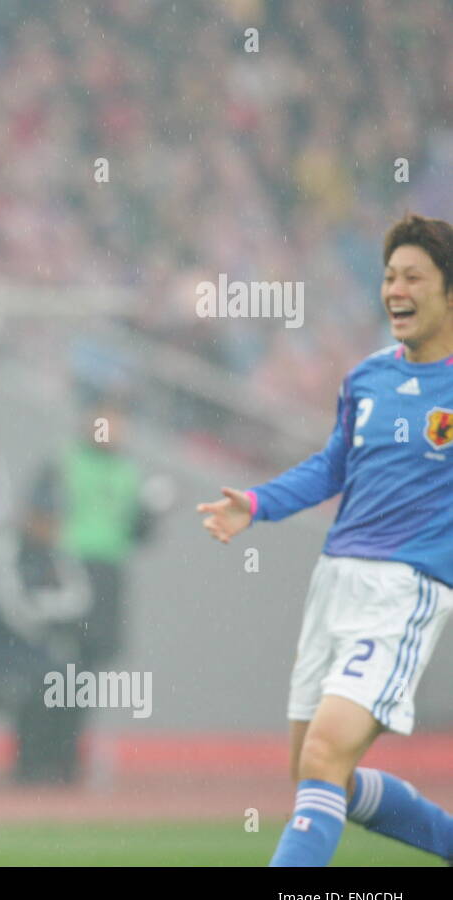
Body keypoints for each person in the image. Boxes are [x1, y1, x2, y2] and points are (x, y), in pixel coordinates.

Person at [197, 213, 453, 866]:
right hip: (333, 584)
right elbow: (332, 467)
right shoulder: (366, 378)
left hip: (404, 590)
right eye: (389, 276)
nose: (395, 289)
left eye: (413, 277)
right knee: (313, 772)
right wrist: (255, 503)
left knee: (324, 755)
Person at [15, 392, 160, 784]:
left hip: (107, 576)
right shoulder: (64, 462)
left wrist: (152, 512)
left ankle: (64, 759)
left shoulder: (128, 471)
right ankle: (33, 760)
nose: (111, 430)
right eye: (105, 420)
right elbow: (35, 519)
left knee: (87, 674)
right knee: (55, 668)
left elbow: (138, 534)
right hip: (68, 573)